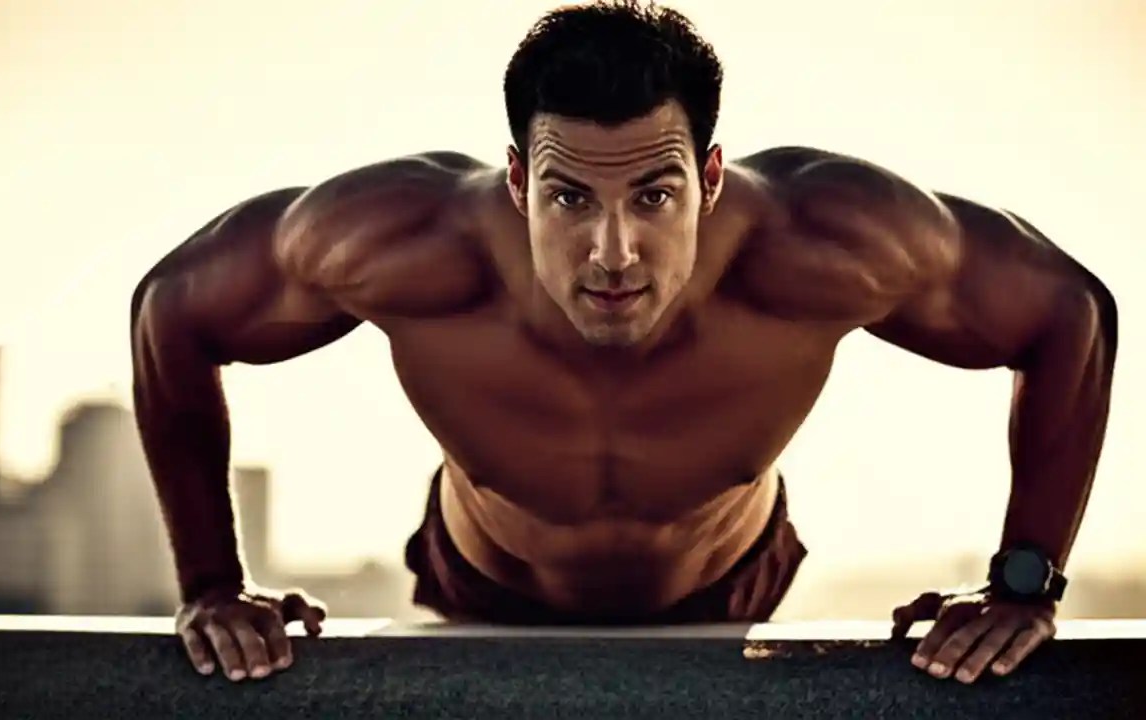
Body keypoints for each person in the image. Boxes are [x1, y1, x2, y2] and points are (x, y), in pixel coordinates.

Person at [130, 0, 1117, 687]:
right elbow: (172, 309)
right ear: (518, 182)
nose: (611, 251)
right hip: (486, 584)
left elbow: (1063, 312)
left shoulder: (825, 244)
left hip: (723, 581)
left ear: (710, 176)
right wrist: (213, 585)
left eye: (653, 195)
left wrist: (1020, 583)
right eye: (567, 197)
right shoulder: (401, 243)